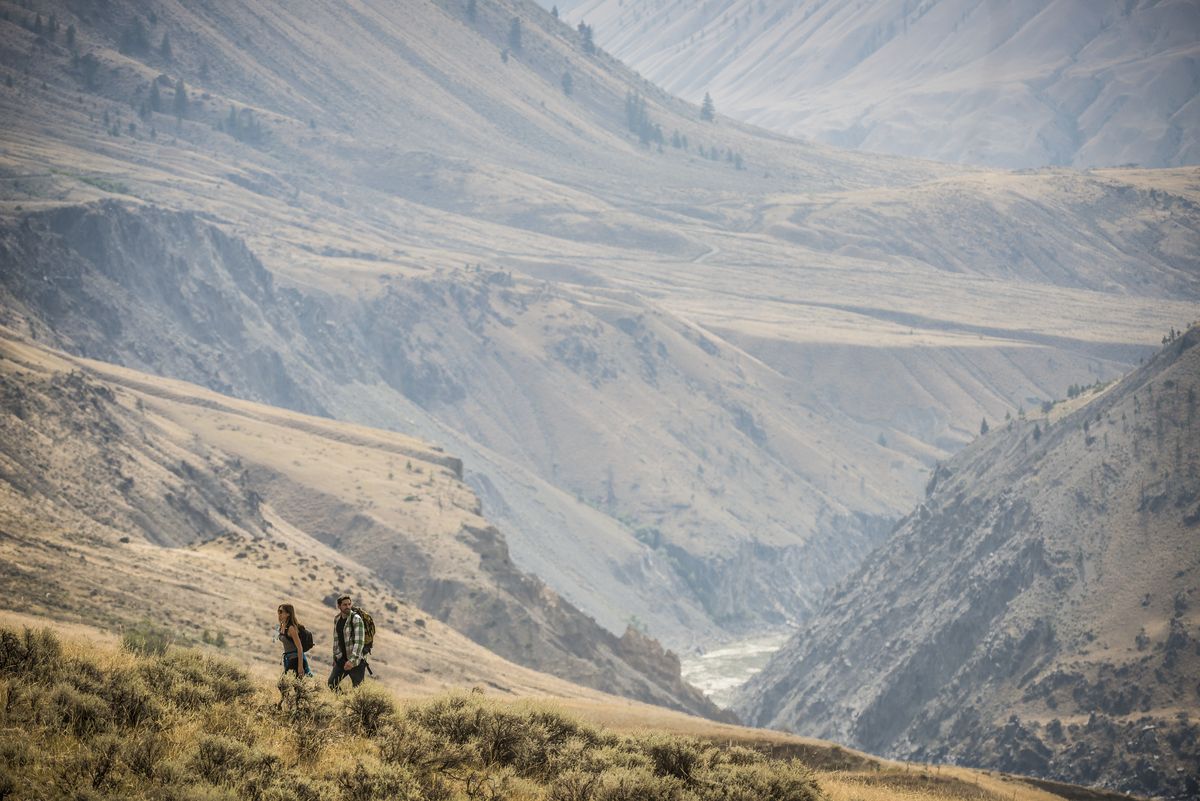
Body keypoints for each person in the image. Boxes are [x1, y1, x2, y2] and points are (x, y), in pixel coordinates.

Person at [328, 594, 367, 689]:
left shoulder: (356, 619)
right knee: (332, 683)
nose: (348, 607)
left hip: (355, 661)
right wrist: (335, 658)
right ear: (339, 606)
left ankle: (355, 704)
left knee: (358, 691)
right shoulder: (337, 619)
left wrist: (352, 660)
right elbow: (336, 639)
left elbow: (359, 642)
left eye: (349, 604)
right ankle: (343, 701)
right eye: (345, 605)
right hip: (342, 659)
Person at [276, 603, 313, 677]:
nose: (279, 614)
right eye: (278, 611)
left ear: (288, 614)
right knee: (295, 686)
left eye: (281, 611)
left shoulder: (291, 628)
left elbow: (299, 648)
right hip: (288, 659)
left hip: (296, 659)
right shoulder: (282, 626)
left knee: (283, 684)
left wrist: (300, 667)